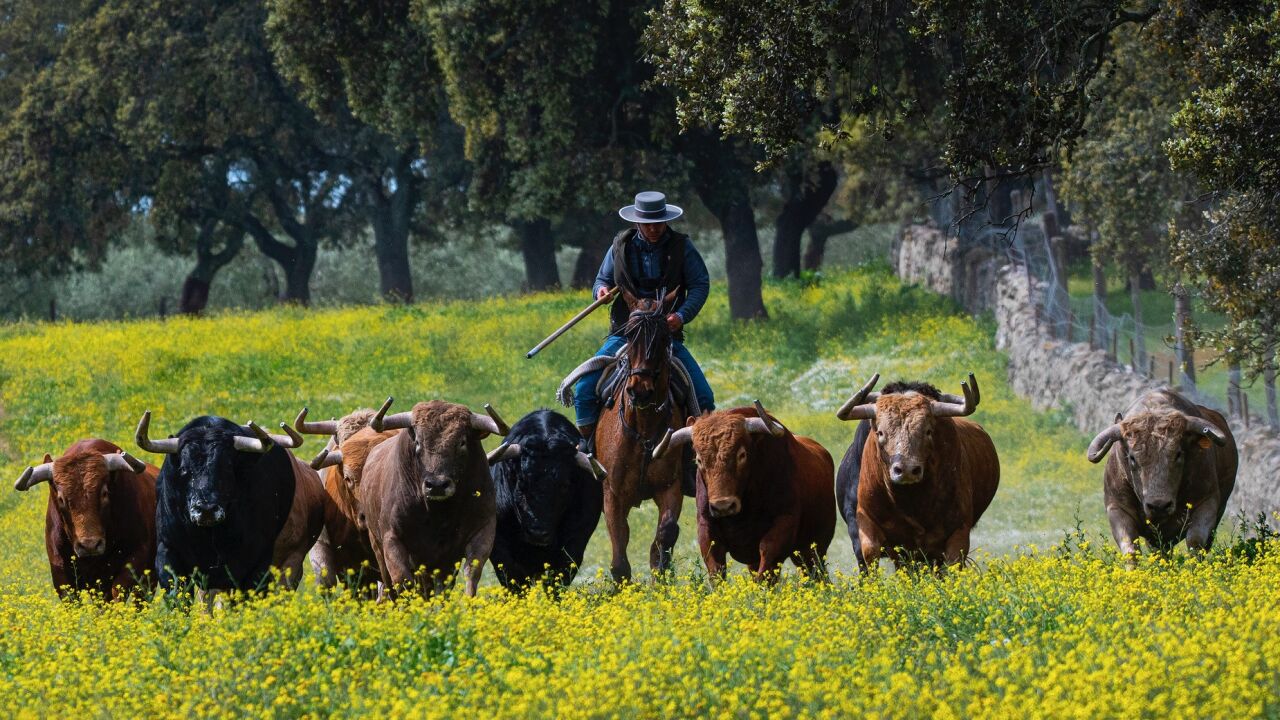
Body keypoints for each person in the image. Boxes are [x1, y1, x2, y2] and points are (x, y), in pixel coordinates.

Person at [574, 191, 715, 450]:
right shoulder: (620, 246)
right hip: (626, 333)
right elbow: (601, 280)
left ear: (665, 220)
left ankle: (695, 461)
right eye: (647, 223)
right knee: (583, 389)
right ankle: (589, 448)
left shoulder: (682, 247)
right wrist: (601, 292)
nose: (653, 228)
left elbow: (699, 285)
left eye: (658, 223)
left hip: (665, 336)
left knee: (704, 397)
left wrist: (681, 316)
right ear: (637, 222)